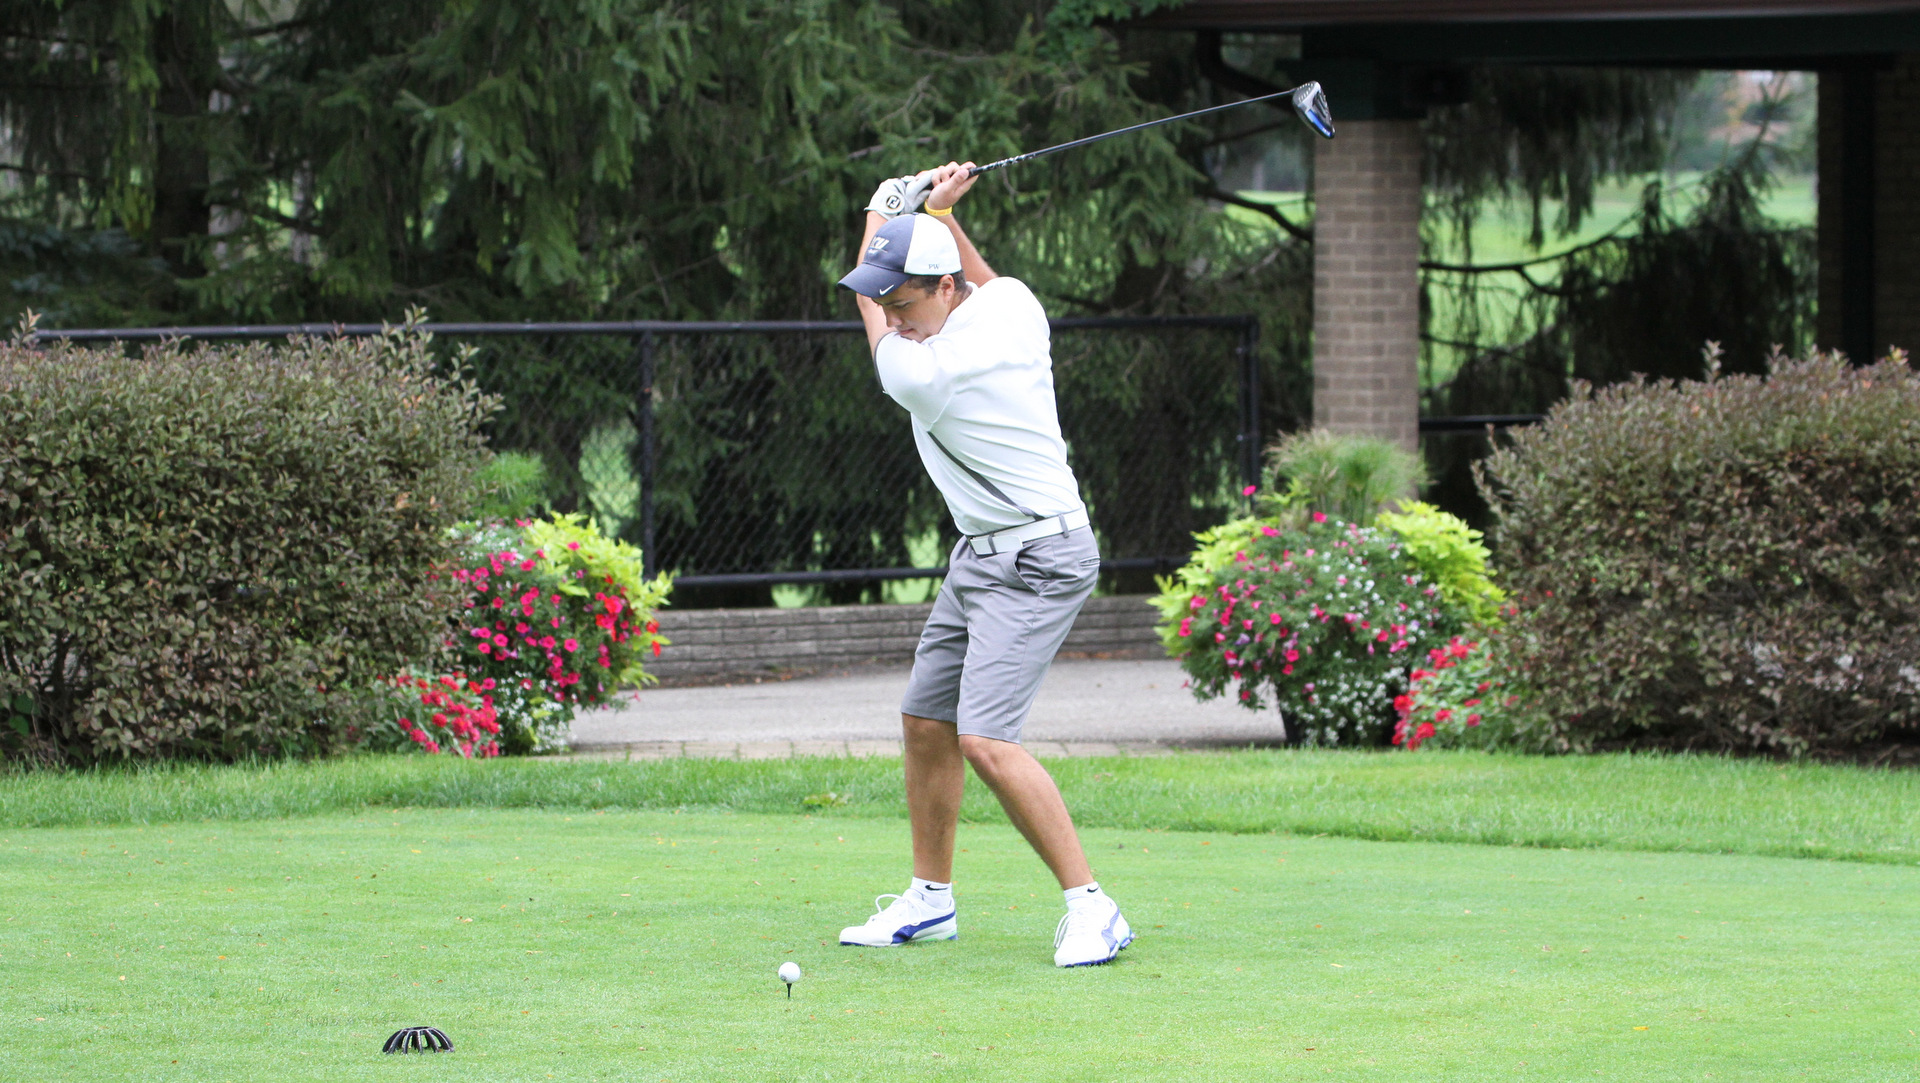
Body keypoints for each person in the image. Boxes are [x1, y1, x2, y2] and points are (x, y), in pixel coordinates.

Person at [832, 162, 1131, 968]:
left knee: (987, 738)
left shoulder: (923, 370)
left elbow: (865, 302)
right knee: (926, 720)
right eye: (891, 305)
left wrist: (881, 206)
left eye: (905, 304)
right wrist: (935, 213)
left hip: (1040, 557)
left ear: (943, 288)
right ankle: (930, 900)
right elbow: (967, 276)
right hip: (982, 551)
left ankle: (1093, 906)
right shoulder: (1011, 303)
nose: (896, 318)